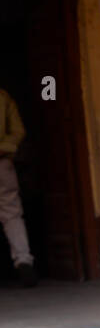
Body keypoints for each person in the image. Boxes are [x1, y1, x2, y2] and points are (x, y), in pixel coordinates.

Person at [0, 87, 35, 288]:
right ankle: (23, 260)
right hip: (2, 162)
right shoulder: (4, 97)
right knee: (11, 214)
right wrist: (5, 147)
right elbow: (18, 131)